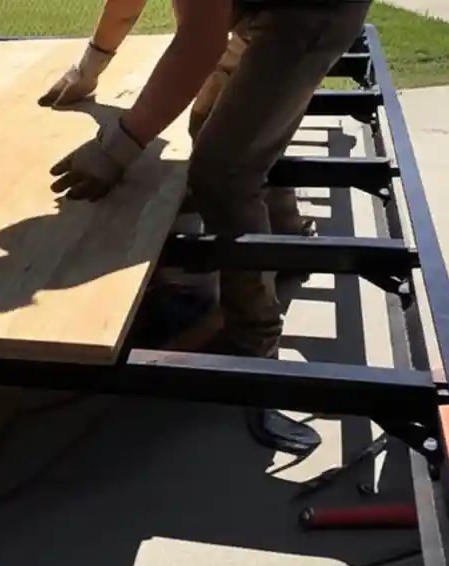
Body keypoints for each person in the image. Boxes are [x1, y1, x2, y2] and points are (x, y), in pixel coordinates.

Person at [39, 0, 371, 454]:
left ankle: (253, 345)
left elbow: (199, 43)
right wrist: (91, 66)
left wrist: (116, 149)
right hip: (261, 9)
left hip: (313, 10)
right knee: (213, 122)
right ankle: (289, 243)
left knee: (224, 171)